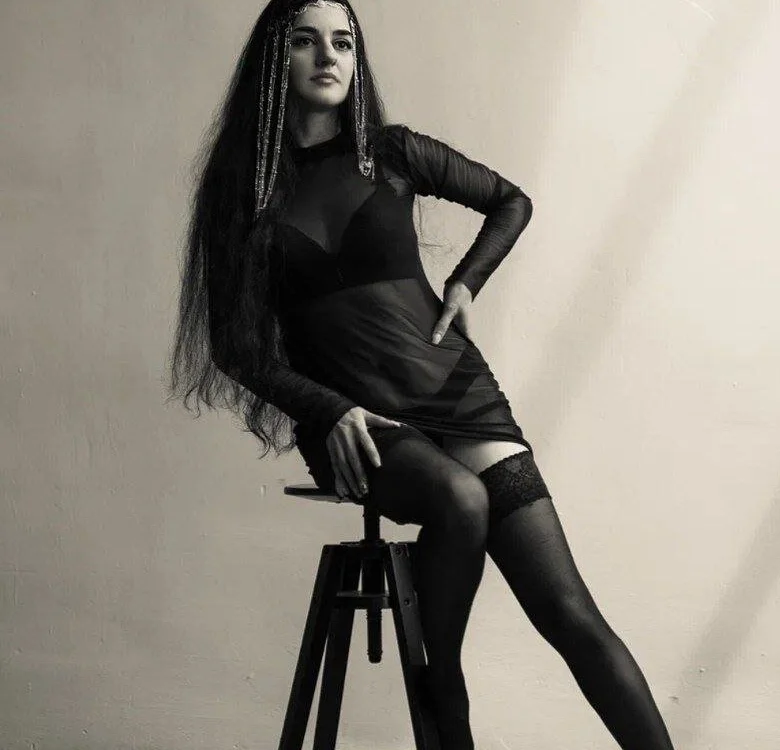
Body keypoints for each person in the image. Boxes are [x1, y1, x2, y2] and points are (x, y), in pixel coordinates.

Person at [169, 1, 677, 748]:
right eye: (306, 41)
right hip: (358, 422)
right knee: (459, 499)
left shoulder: (393, 152)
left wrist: (466, 281)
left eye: (343, 42)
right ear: (274, 59)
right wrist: (328, 411)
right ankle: (445, 681)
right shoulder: (241, 191)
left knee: (571, 614)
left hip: (455, 394)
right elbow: (235, 348)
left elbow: (510, 201)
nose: (328, 57)